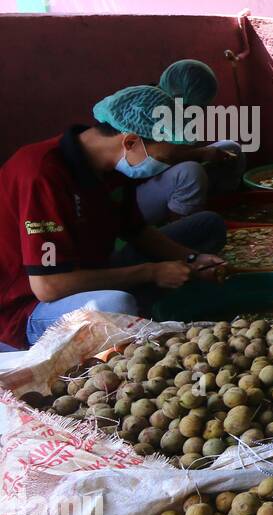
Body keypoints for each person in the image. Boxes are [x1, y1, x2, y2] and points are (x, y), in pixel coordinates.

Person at [0, 85, 228, 348]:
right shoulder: (41, 174)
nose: (165, 166)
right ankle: (139, 307)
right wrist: (151, 272)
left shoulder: (115, 165)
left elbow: (136, 230)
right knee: (117, 304)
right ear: (130, 141)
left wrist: (191, 258)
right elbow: (49, 286)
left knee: (208, 226)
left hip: (94, 268)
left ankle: (148, 298)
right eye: (164, 158)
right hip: (28, 307)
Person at [133, 58, 246, 224]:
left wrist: (203, 154)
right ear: (182, 95)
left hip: (166, 181)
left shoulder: (177, 105)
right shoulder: (141, 108)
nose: (201, 110)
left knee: (232, 149)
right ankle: (179, 234)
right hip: (135, 196)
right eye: (199, 105)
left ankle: (226, 213)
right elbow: (154, 159)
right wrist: (200, 154)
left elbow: (181, 149)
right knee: (190, 172)